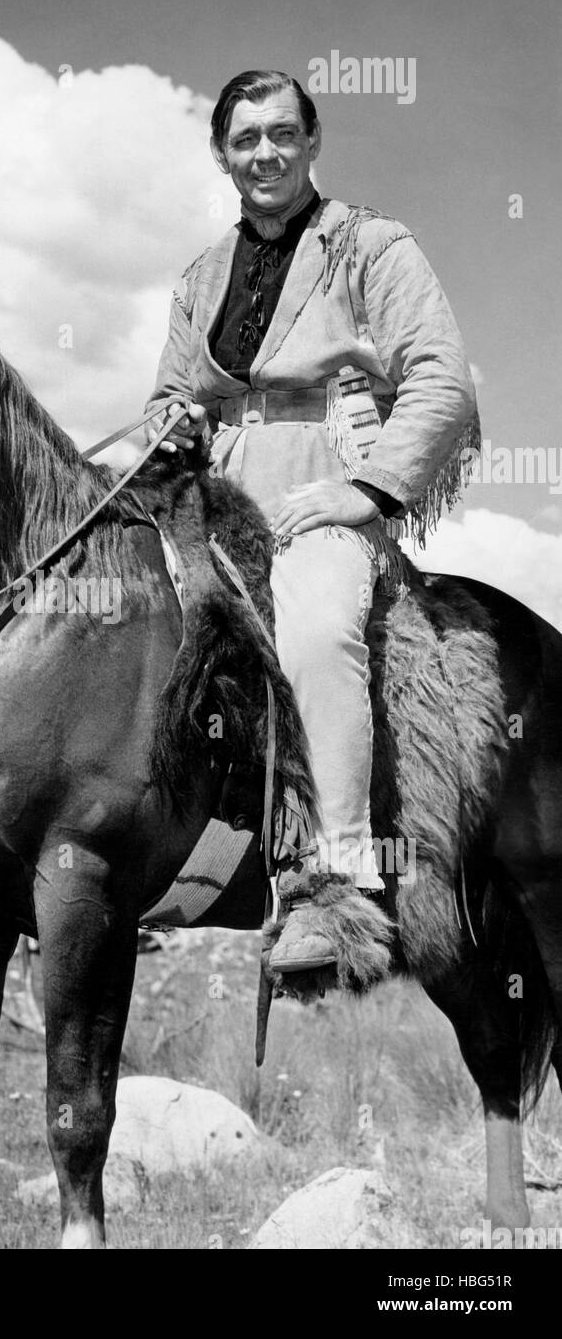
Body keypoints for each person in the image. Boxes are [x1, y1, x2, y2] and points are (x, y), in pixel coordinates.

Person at [145, 69, 479, 974]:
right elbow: (171, 396)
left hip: (322, 488)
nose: (265, 153)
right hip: (215, 496)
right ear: (221, 154)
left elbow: (442, 380)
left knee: (319, 631)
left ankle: (339, 886)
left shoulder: (371, 246)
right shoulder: (198, 278)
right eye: (245, 139)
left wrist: (367, 490)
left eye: (282, 134)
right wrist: (171, 424)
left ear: (312, 142)